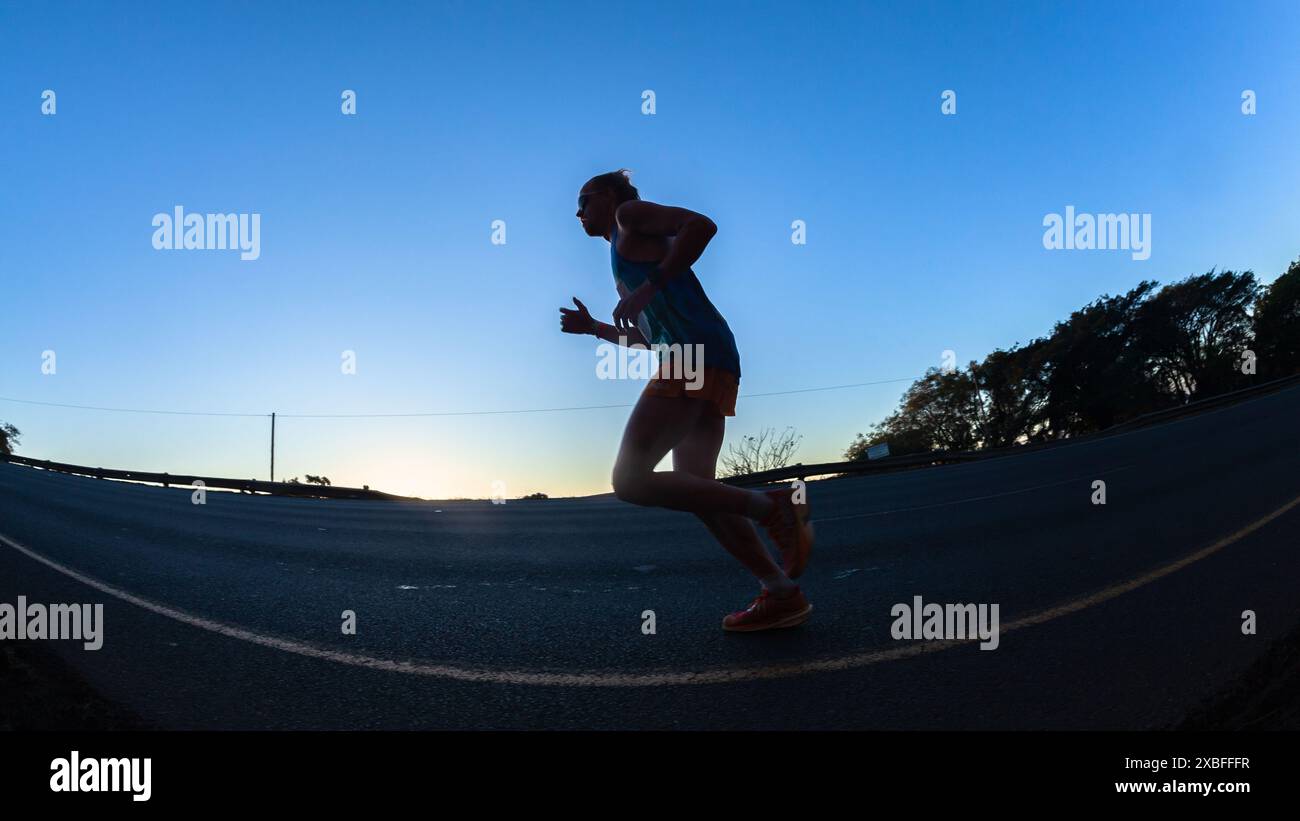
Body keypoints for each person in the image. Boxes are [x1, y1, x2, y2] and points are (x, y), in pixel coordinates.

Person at [560, 169, 814, 631]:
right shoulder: (621, 263)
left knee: (631, 481)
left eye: (585, 199)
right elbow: (646, 339)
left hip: (692, 354)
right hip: (700, 355)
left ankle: (772, 508)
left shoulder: (629, 215)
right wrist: (596, 328)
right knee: (701, 493)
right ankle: (781, 593)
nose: (579, 212)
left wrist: (650, 286)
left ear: (613, 195)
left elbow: (701, 225)